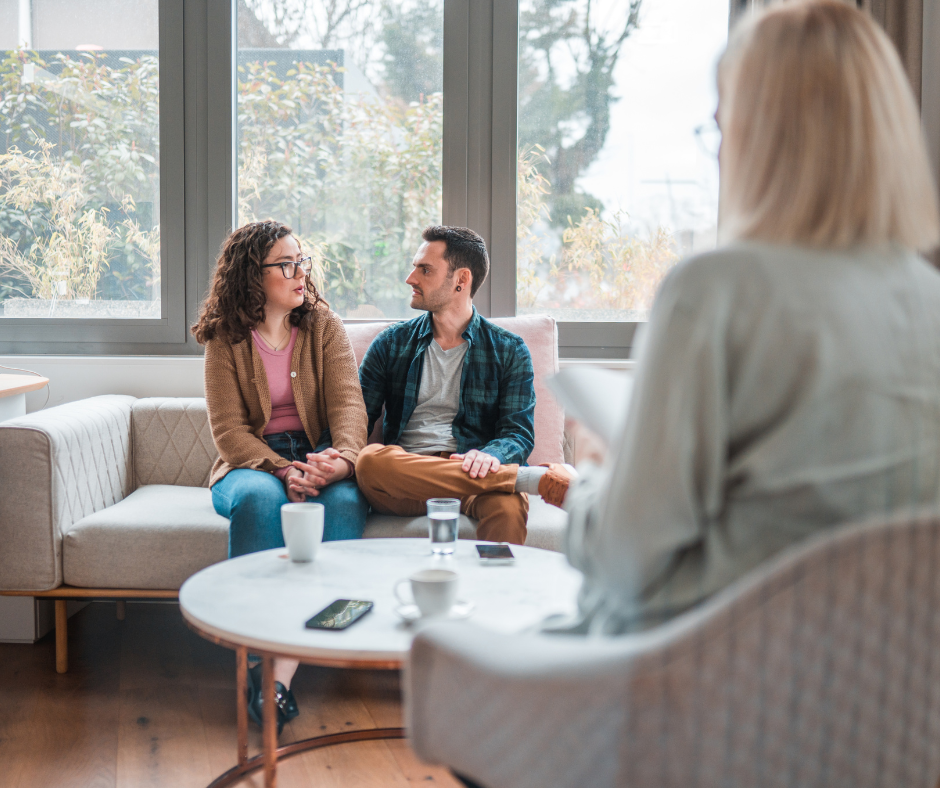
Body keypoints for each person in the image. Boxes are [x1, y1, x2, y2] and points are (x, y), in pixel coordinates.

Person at [561, 0, 940, 635]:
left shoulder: (714, 291)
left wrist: (596, 475)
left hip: (713, 694)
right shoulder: (928, 296)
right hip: (885, 707)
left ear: (758, 138)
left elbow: (627, 564)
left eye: (720, 126)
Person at [192, 220, 368, 732]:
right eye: (285, 264)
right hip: (250, 462)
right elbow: (228, 431)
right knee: (259, 502)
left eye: (302, 261)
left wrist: (342, 458)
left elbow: (349, 407)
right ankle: (253, 652)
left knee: (345, 504)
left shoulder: (324, 326)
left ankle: (277, 678)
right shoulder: (226, 338)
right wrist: (281, 468)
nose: (300, 273)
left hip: (319, 455)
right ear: (253, 274)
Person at [355, 225, 573, 545]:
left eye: (425, 270)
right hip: (408, 479)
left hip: (476, 474)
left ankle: (492, 594)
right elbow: (355, 417)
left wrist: (491, 456)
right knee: (371, 461)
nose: (410, 278)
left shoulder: (508, 349)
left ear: (461, 280)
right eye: (414, 267)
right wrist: (328, 457)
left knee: (509, 507)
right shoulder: (392, 343)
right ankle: (527, 479)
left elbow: (518, 433)